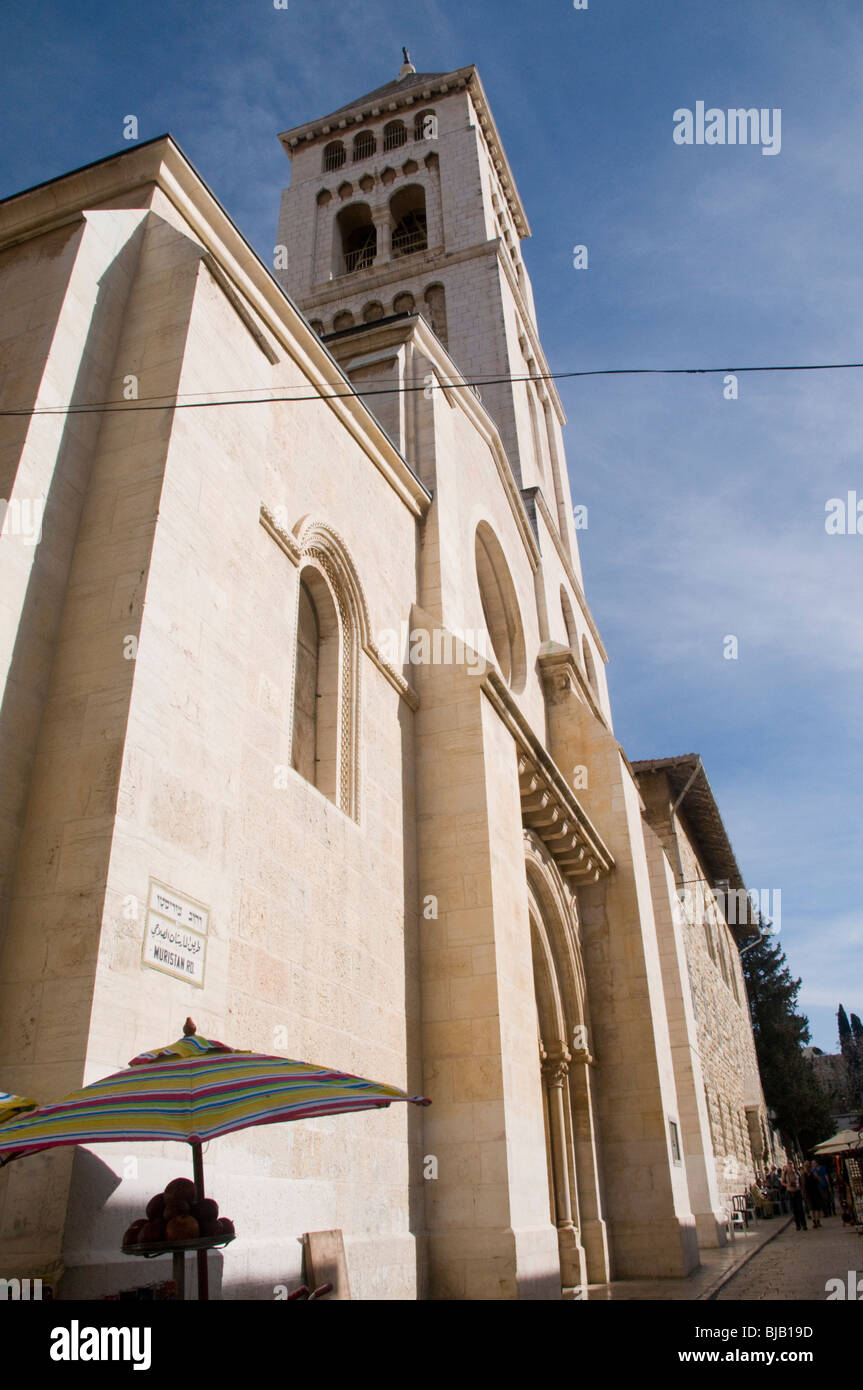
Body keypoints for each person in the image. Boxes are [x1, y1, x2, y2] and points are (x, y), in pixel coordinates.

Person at [782, 1162, 807, 1230]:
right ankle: (798, 1225)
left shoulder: (797, 1172)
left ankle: (804, 1224)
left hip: (797, 1191)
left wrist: (802, 1190)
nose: (791, 1167)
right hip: (790, 1192)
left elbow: (801, 1182)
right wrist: (788, 1184)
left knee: (800, 1208)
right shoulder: (785, 1174)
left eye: (791, 1166)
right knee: (794, 1210)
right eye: (789, 1166)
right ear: (787, 1167)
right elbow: (782, 1182)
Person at [802, 1161, 823, 1228]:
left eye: (807, 1166)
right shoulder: (803, 1176)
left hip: (815, 1192)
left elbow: (820, 1181)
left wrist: (817, 1177)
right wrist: (803, 1193)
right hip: (808, 1194)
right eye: (805, 1166)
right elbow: (802, 1185)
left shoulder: (813, 1174)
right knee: (811, 1208)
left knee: (816, 1208)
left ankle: (817, 1221)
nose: (806, 1168)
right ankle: (814, 1221)